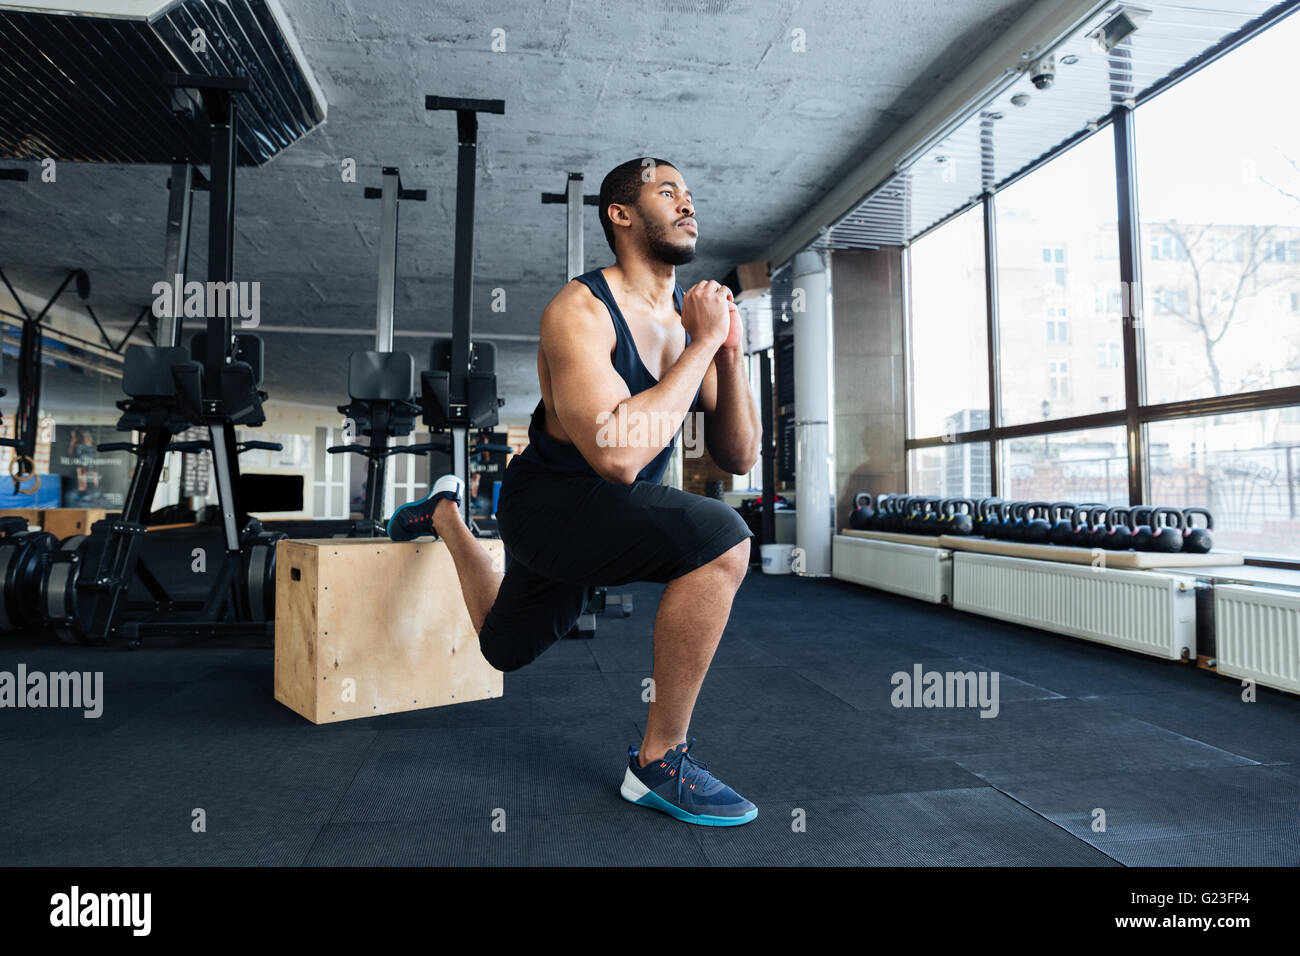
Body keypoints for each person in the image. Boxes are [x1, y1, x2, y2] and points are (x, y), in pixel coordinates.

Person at [388, 158, 762, 826]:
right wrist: (702, 344)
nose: (686, 204)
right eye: (666, 192)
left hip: (609, 516)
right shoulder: (580, 310)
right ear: (620, 214)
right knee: (723, 539)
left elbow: (737, 455)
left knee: (505, 649)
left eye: (690, 196)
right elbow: (619, 456)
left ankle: (445, 514)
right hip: (549, 507)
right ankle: (657, 764)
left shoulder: (686, 329)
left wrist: (727, 356)